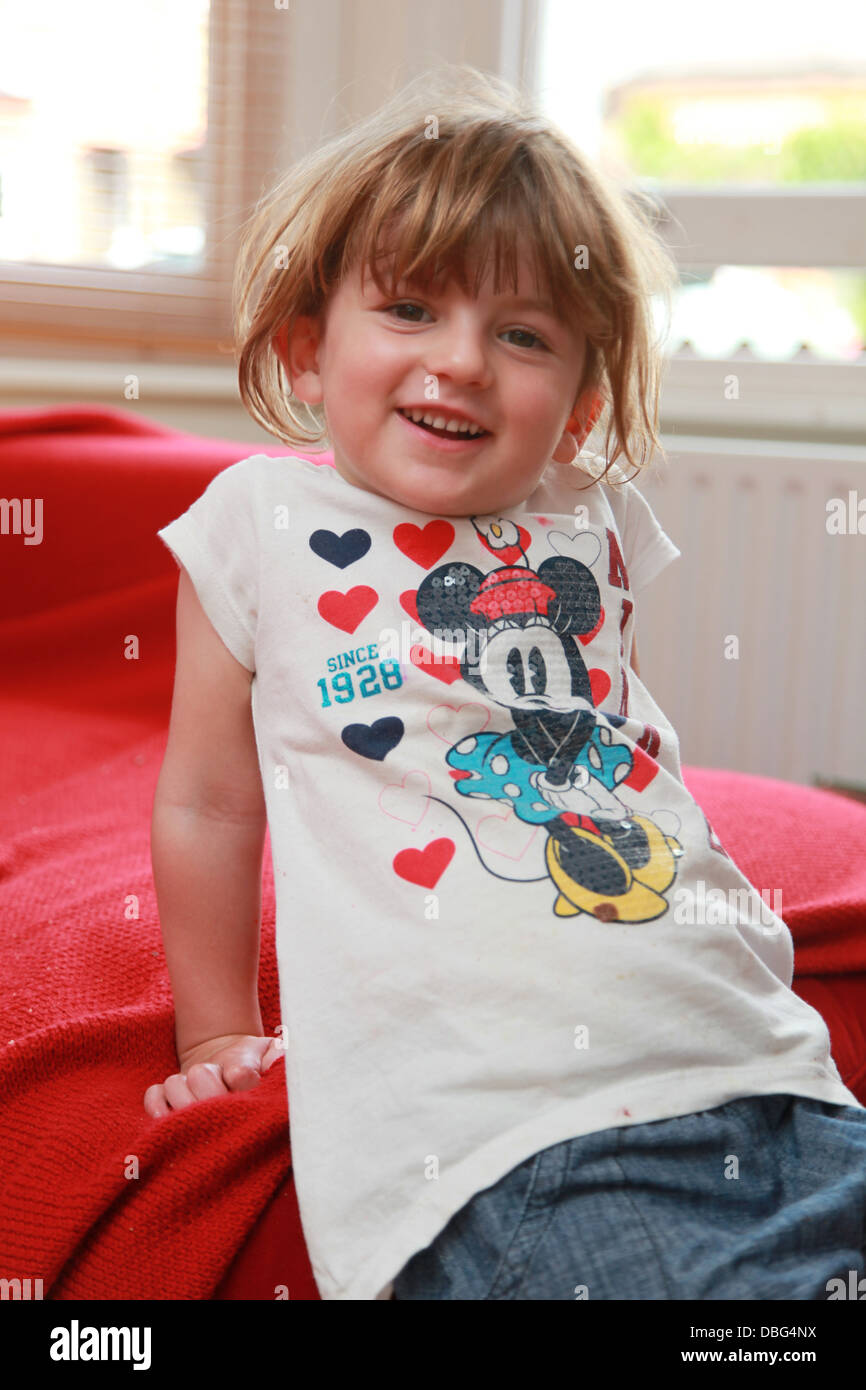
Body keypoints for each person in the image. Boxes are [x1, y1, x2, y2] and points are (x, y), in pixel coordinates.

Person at [144, 66, 866, 1301]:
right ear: (310, 348)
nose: (463, 362)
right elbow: (209, 804)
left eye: (522, 334)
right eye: (412, 308)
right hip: (513, 1129)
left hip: (764, 1060)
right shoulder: (253, 521)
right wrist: (215, 1031)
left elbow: (614, 758)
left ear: (578, 404)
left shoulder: (587, 526)